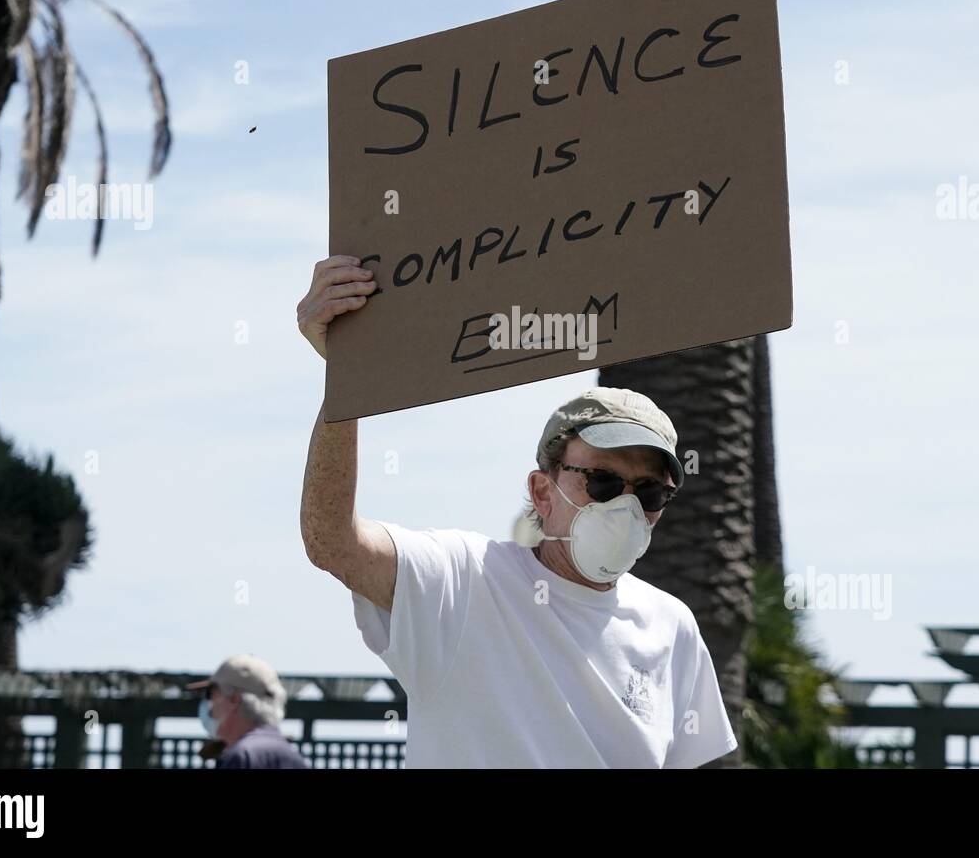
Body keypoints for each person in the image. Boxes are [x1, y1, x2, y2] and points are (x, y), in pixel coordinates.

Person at [296, 255, 737, 768]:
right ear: (543, 491)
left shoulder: (672, 626)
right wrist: (345, 376)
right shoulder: (464, 581)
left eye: (649, 493)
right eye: (603, 481)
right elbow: (330, 539)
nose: (626, 507)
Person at [187, 654, 309, 769]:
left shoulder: (241, 757)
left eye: (211, 694)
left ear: (234, 699)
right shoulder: (294, 758)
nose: (209, 704)